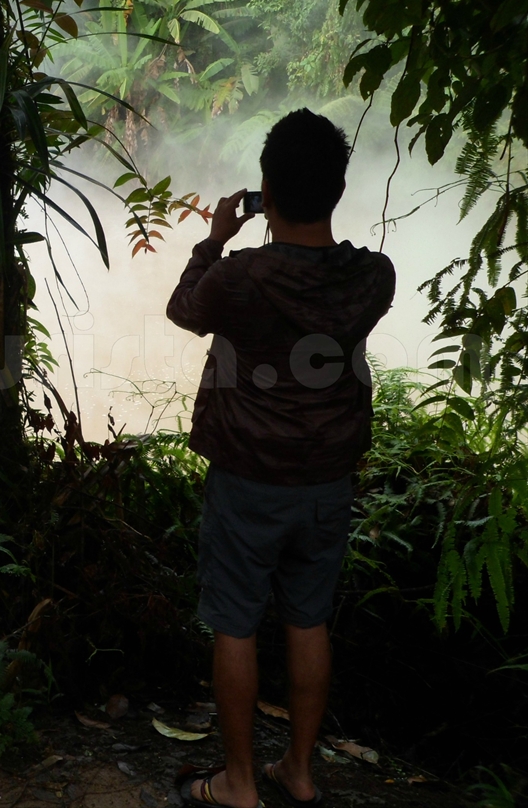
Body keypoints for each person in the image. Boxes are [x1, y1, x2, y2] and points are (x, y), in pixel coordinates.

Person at [165, 109, 396, 807]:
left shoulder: (239, 277)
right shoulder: (373, 278)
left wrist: (215, 240)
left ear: (266, 188)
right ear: (337, 188)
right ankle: (298, 771)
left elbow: (184, 310)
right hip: (326, 481)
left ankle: (238, 784)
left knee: (234, 622)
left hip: (246, 478)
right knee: (307, 618)